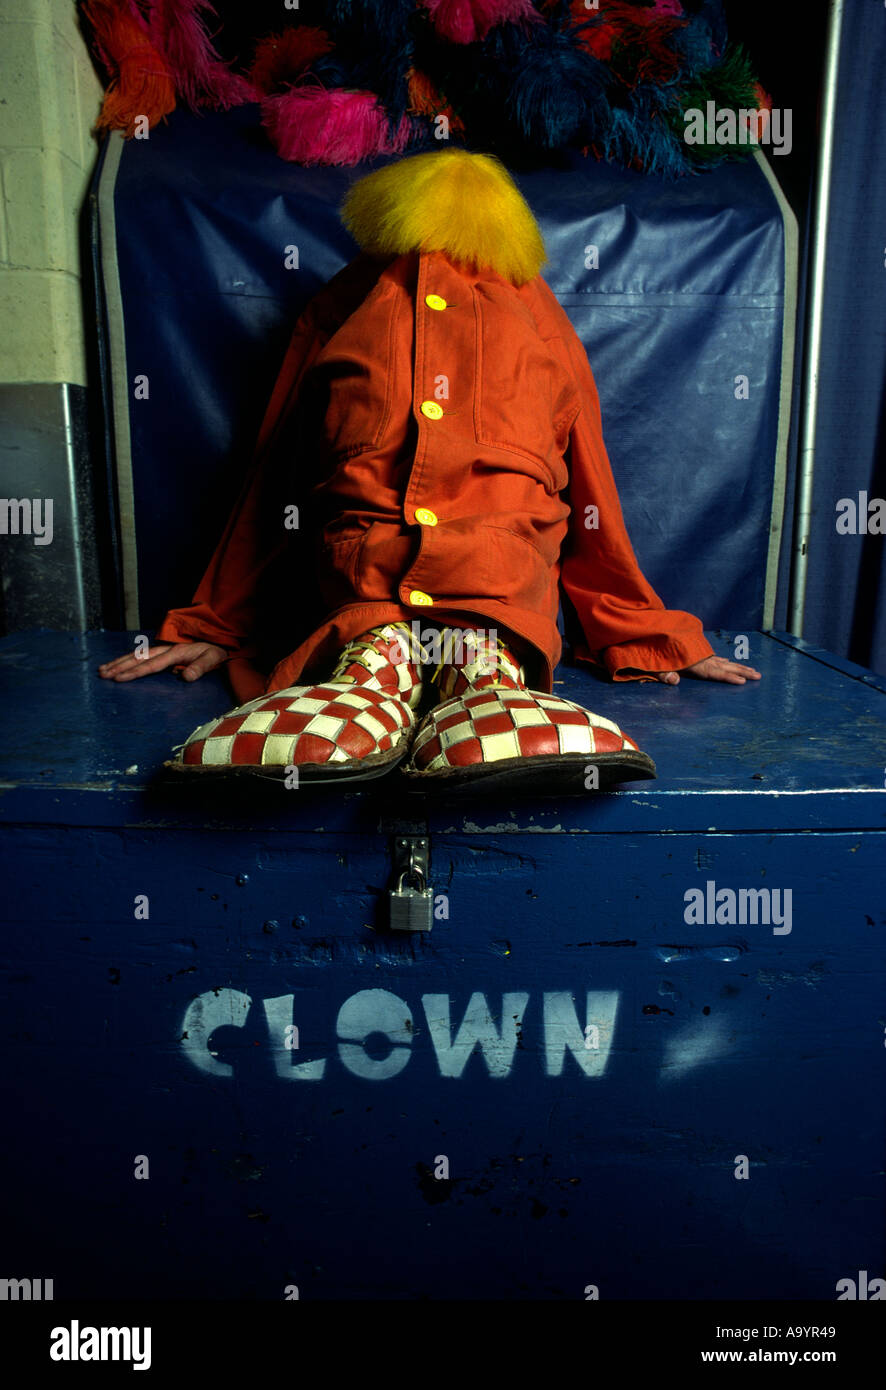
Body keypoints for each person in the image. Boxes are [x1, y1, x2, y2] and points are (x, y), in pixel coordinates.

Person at [99, 148, 760, 792]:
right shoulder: (345, 306)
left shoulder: (534, 313)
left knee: (484, 663)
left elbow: (589, 478)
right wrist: (219, 620)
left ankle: (482, 671)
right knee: (368, 652)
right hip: (362, 598)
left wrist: (642, 631)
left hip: (497, 597)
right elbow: (276, 472)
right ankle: (377, 667)